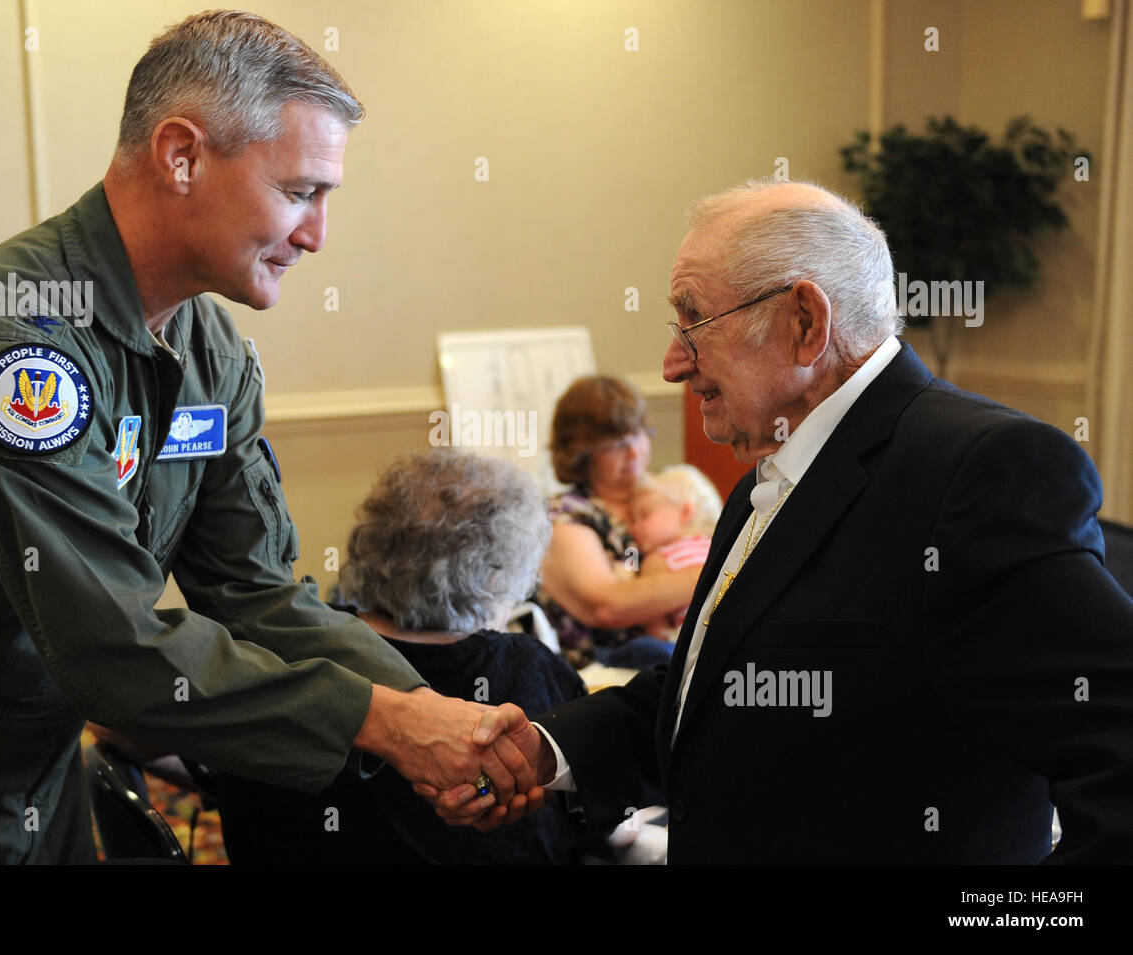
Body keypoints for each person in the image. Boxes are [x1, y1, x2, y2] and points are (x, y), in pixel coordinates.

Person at [0, 11, 538, 864]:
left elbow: (258, 594)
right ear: (181, 156)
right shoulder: (13, 343)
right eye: (300, 191)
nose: (317, 235)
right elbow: (113, 644)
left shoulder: (208, 349)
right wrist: (390, 724)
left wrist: (445, 723)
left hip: (36, 772)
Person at [426, 180, 1133, 863]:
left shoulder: (979, 471)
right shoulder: (770, 475)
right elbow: (717, 694)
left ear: (804, 323)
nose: (673, 364)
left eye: (693, 322)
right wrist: (545, 751)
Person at [216, 451, 596, 864]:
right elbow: (589, 818)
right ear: (498, 573)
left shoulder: (282, 648)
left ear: (371, 538)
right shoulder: (530, 668)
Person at [537, 376, 702, 670]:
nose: (635, 453)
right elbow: (606, 605)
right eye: (617, 444)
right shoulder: (566, 516)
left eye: (639, 435)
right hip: (606, 677)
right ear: (581, 452)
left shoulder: (668, 491)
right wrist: (713, 575)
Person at [629, 465, 721, 639]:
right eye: (633, 519)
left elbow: (655, 626)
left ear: (685, 513)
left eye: (644, 515)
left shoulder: (659, 559)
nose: (634, 527)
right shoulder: (714, 545)